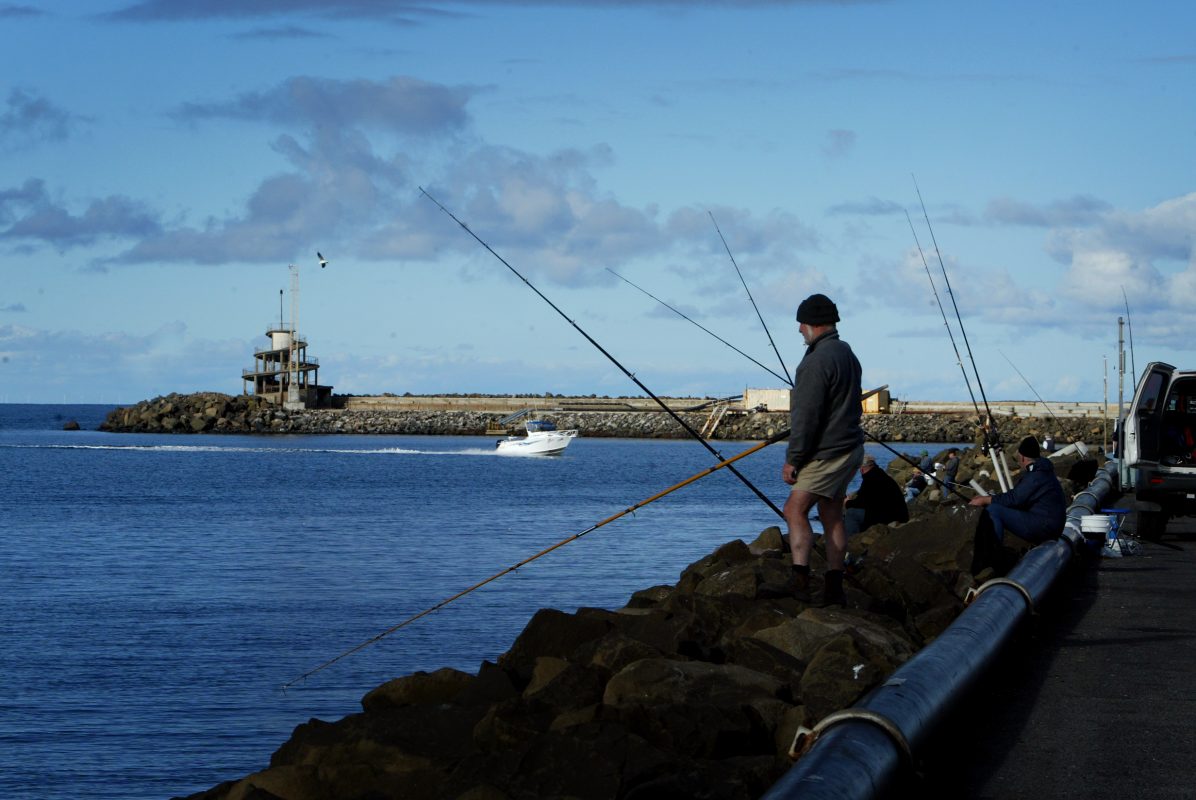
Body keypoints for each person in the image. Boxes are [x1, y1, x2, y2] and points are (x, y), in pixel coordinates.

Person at [781, 293, 865, 607]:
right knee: (831, 513)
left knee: (794, 510)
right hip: (851, 448)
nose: (798, 330)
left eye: (801, 323)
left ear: (813, 324)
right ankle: (834, 587)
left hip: (828, 453)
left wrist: (793, 459)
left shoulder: (815, 362)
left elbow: (806, 417)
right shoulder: (847, 352)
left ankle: (800, 581)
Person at [968, 436, 1067, 573]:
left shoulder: (1036, 475)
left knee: (994, 510)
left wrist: (985, 500)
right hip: (1051, 525)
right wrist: (991, 497)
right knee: (997, 506)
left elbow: (1015, 499)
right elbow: (1018, 498)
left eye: (1018, 457)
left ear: (1023, 458)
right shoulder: (1043, 470)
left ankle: (994, 559)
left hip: (1046, 527)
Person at [844, 454, 910, 534]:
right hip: (897, 513)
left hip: (890, 516)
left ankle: (851, 538)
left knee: (851, 513)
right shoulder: (880, 474)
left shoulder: (870, 478)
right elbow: (869, 500)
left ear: (861, 469)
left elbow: (862, 503)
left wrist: (847, 503)